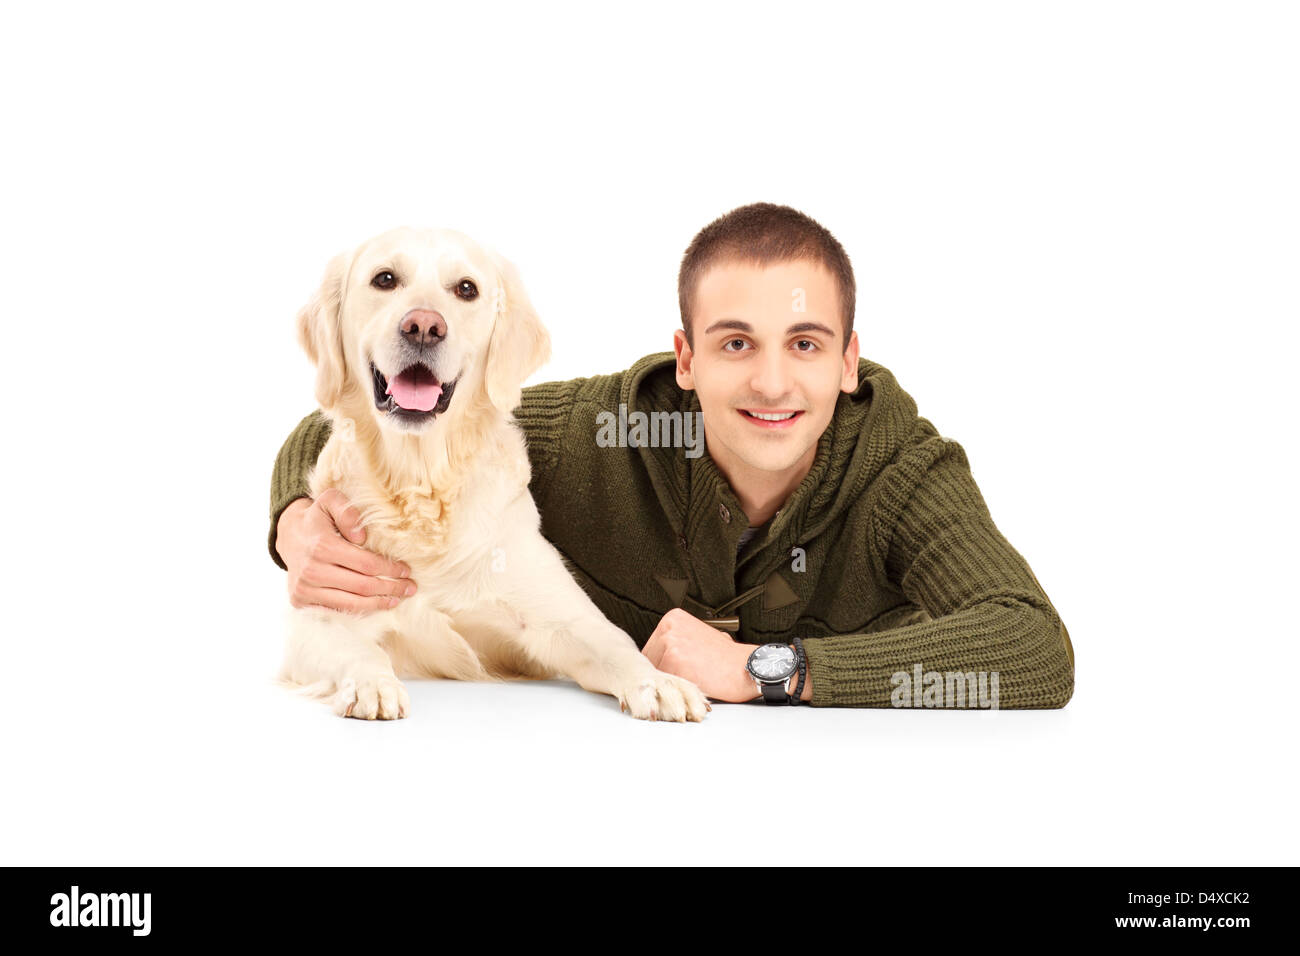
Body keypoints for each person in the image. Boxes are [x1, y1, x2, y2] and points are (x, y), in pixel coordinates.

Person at [268, 203, 1075, 708]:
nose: (770, 379)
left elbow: (1032, 649)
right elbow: (376, 415)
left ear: (848, 360)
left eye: (805, 343)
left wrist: (771, 670)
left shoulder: (901, 475)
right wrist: (295, 521)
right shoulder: (608, 429)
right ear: (684, 361)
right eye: (734, 342)